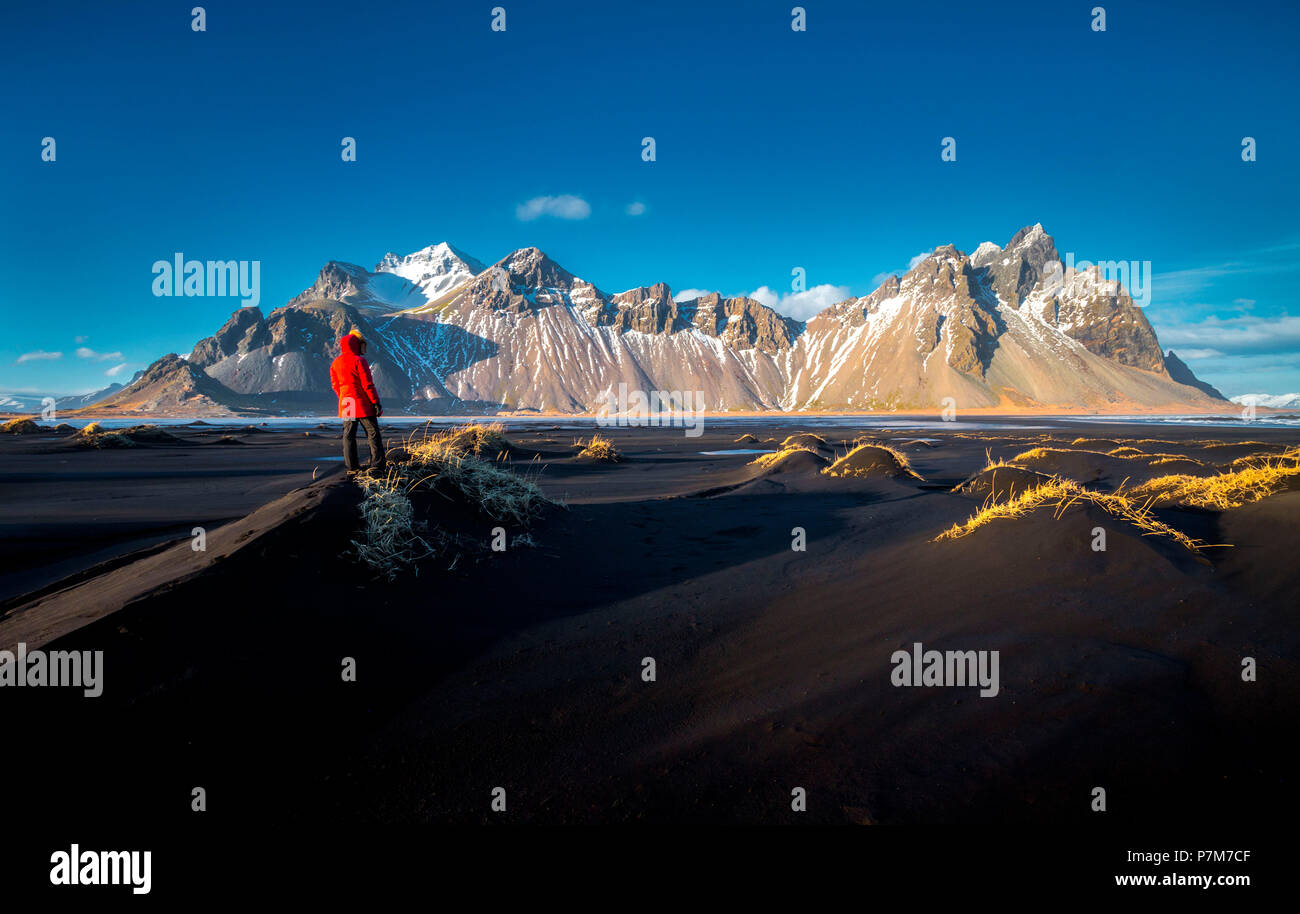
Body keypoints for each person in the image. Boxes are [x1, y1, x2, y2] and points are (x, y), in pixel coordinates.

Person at [329, 329, 387, 476]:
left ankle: (352, 467)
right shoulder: (359, 361)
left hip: (347, 402)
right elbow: (368, 384)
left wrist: (343, 397)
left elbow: (335, 386)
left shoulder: (335, 363)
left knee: (349, 435)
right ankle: (377, 465)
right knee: (372, 433)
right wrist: (376, 402)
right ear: (356, 345)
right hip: (362, 402)